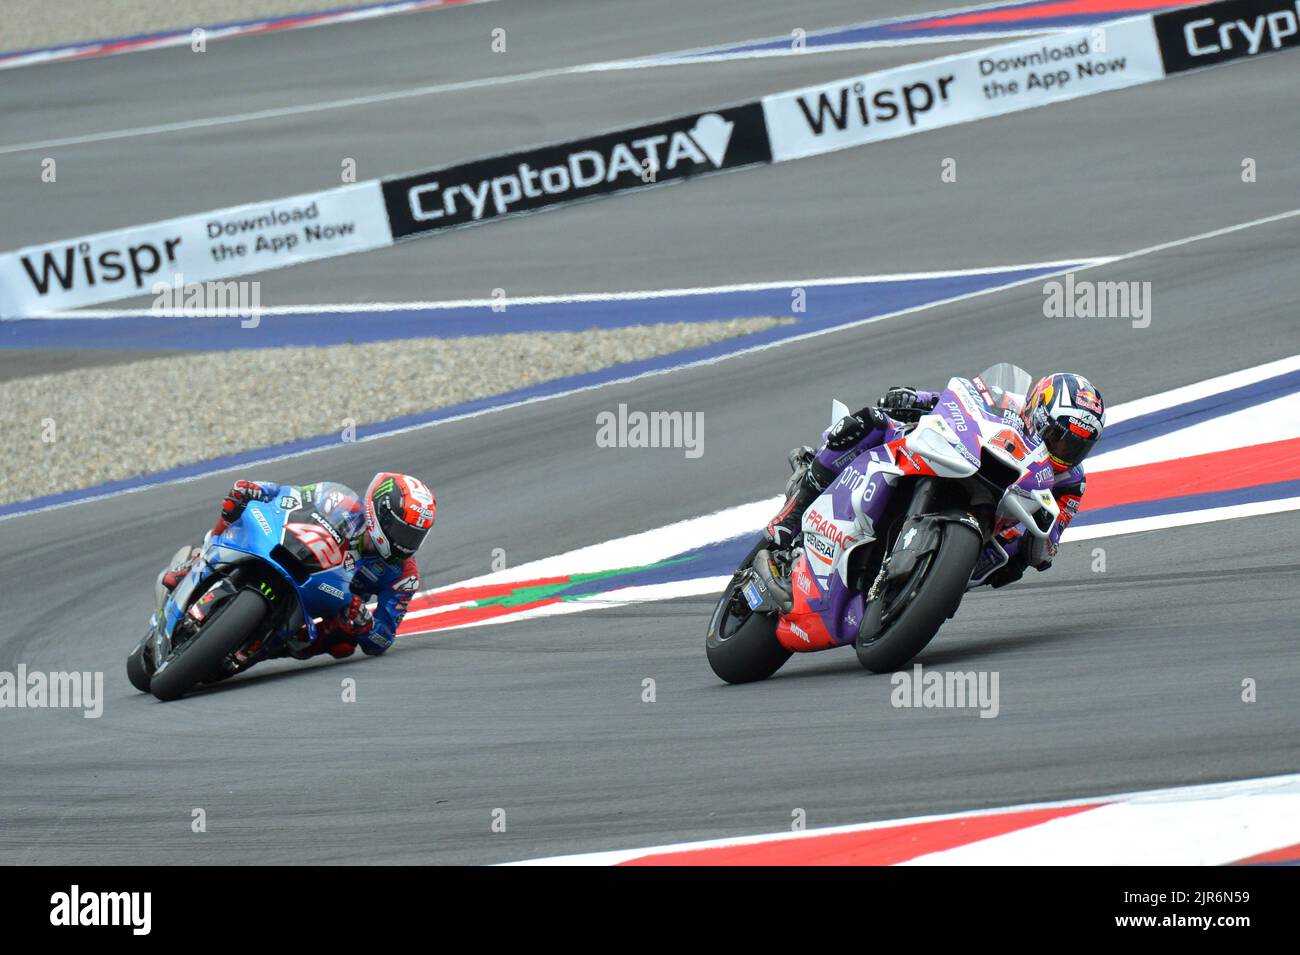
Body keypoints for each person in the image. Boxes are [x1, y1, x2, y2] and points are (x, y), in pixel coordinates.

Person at [765, 373, 1104, 588]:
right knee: (869, 422)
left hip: (991, 527)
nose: (1066, 451)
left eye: (1077, 446)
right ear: (1038, 414)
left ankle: (924, 587)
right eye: (1060, 437)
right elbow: (958, 400)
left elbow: (1051, 539)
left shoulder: (1071, 482)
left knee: (1011, 564)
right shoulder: (1007, 402)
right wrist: (916, 399)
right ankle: (795, 511)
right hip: (952, 459)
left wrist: (1038, 548)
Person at [163, 472, 435, 658]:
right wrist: (257, 489)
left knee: (343, 646)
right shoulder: (340, 502)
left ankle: (271, 648)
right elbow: (287, 495)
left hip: (331, 603)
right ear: (380, 513)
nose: (405, 543)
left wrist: (364, 624)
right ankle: (198, 560)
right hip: (299, 561)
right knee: (238, 503)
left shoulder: (403, 576)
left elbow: (384, 638)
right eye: (402, 531)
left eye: (414, 535)